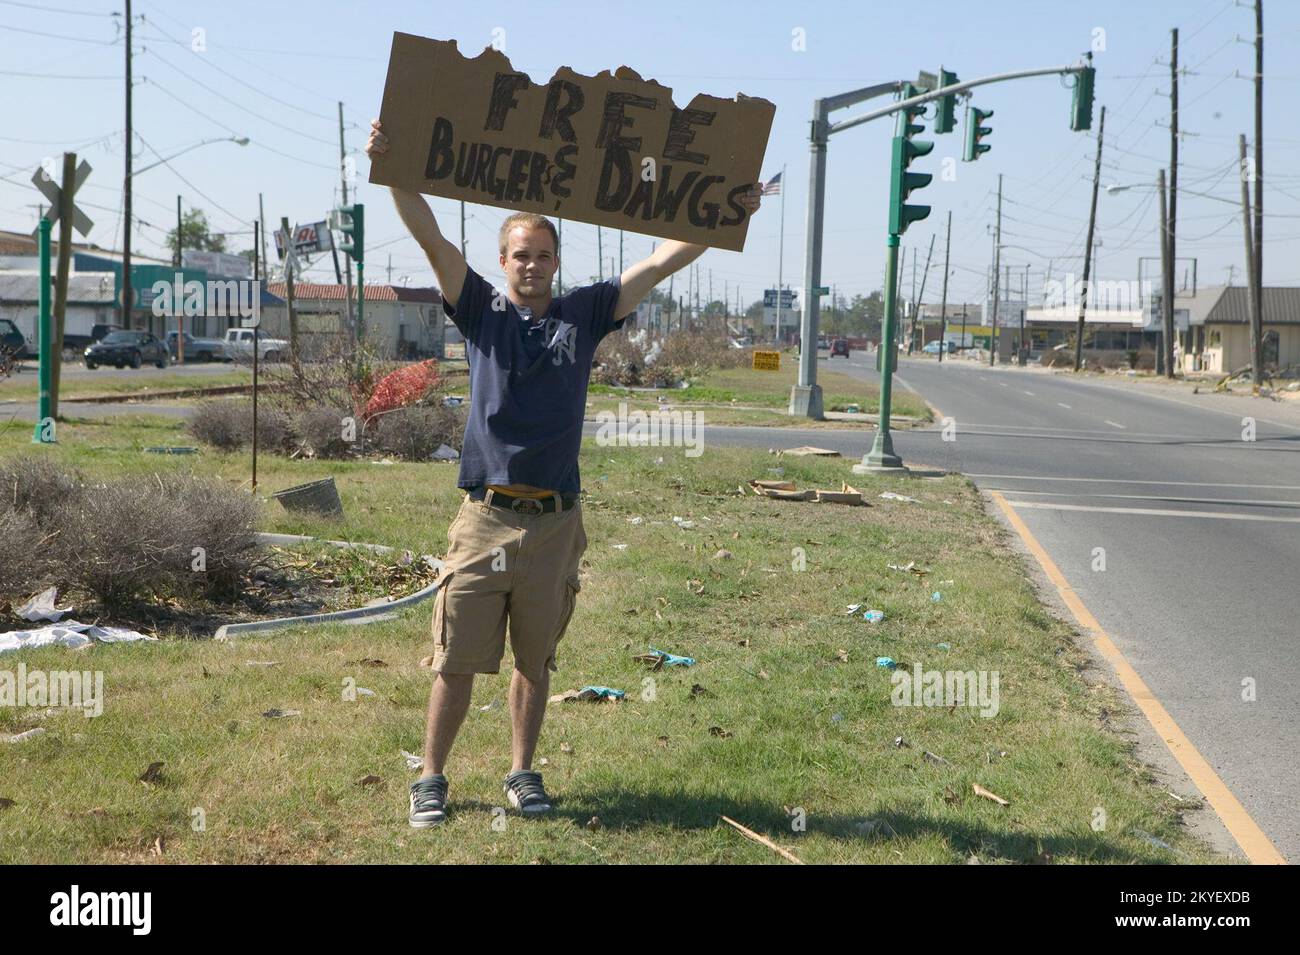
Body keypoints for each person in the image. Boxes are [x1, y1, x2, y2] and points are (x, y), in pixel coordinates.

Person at [365, 120, 763, 827]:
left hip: (555, 522)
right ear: (503, 258)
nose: (533, 265)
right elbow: (430, 234)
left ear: (556, 260)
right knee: (455, 658)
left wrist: (728, 213)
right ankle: (431, 776)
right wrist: (392, 165)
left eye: (544, 255)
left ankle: (522, 772)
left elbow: (664, 260)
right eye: (522, 254)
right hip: (485, 518)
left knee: (535, 660)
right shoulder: (482, 309)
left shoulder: (585, 312)